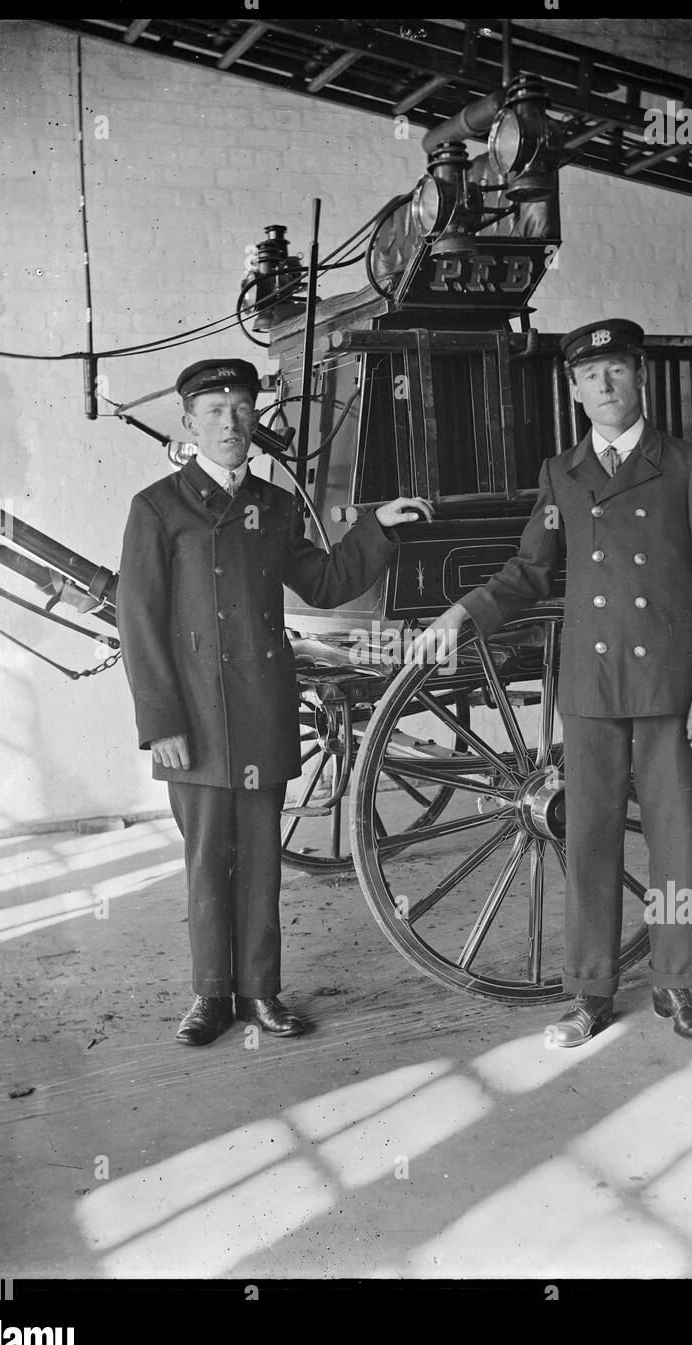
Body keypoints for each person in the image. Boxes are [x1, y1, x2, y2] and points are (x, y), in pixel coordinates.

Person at [423, 320, 692, 1046]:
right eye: (590, 376)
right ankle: (590, 993)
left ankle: (679, 985)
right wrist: (461, 613)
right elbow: (528, 572)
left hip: (668, 684)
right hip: (593, 684)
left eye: (616, 372)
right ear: (574, 391)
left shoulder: (686, 464)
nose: (604, 386)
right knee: (589, 838)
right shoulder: (560, 474)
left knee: (673, 841)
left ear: (638, 378)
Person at [116, 358, 433, 1045]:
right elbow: (137, 622)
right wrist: (160, 722)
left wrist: (376, 526)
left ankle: (261, 992)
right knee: (207, 859)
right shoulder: (157, 508)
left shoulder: (277, 506)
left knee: (259, 861)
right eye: (214, 412)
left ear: (254, 419)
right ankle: (209, 997)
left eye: (240, 408)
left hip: (261, 712)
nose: (229, 423)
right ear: (189, 424)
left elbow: (322, 582)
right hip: (192, 720)